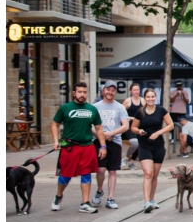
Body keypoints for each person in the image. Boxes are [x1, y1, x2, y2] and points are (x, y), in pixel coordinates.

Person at [50, 82, 108, 214]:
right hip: (70, 147)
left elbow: (98, 128)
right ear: (74, 93)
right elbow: (54, 124)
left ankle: (85, 203)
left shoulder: (92, 109)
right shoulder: (65, 108)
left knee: (86, 174)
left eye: (85, 92)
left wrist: (103, 146)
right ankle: (58, 196)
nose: (82, 95)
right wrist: (55, 141)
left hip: (87, 146)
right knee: (65, 176)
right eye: (80, 92)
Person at [130, 88, 173, 213]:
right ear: (145, 98)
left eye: (152, 96)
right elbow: (133, 127)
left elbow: (170, 125)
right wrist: (138, 131)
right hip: (144, 146)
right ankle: (146, 201)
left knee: (154, 175)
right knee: (148, 173)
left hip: (158, 146)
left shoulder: (161, 110)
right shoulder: (140, 112)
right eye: (148, 97)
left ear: (156, 97)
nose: (150, 99)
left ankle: (153, 199)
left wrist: (158, 133)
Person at [93, 82, 131, 210]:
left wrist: (111, 133)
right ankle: (99, 190)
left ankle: (110, 198)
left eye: (113, 90)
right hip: (99, 141)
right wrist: (101, 135)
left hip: (115, 142)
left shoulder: (120, 107)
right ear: (103, 91)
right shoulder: (95, 106)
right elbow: (89, 125)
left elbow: (125, 125)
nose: (110, 92)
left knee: (113, 170)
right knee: (101, 169)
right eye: (108, 89)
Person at [122, 83, 144, 170]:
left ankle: (132, 162)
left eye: (138, 90)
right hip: (130, 125)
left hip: (140, 125)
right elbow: (121, 114)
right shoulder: (127, 101)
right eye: (134, 90)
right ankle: (126, 158)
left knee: (140, 144)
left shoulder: (143, 101)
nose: (136, 92)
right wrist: (131, 118)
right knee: (135, 143)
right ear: (131, 91)